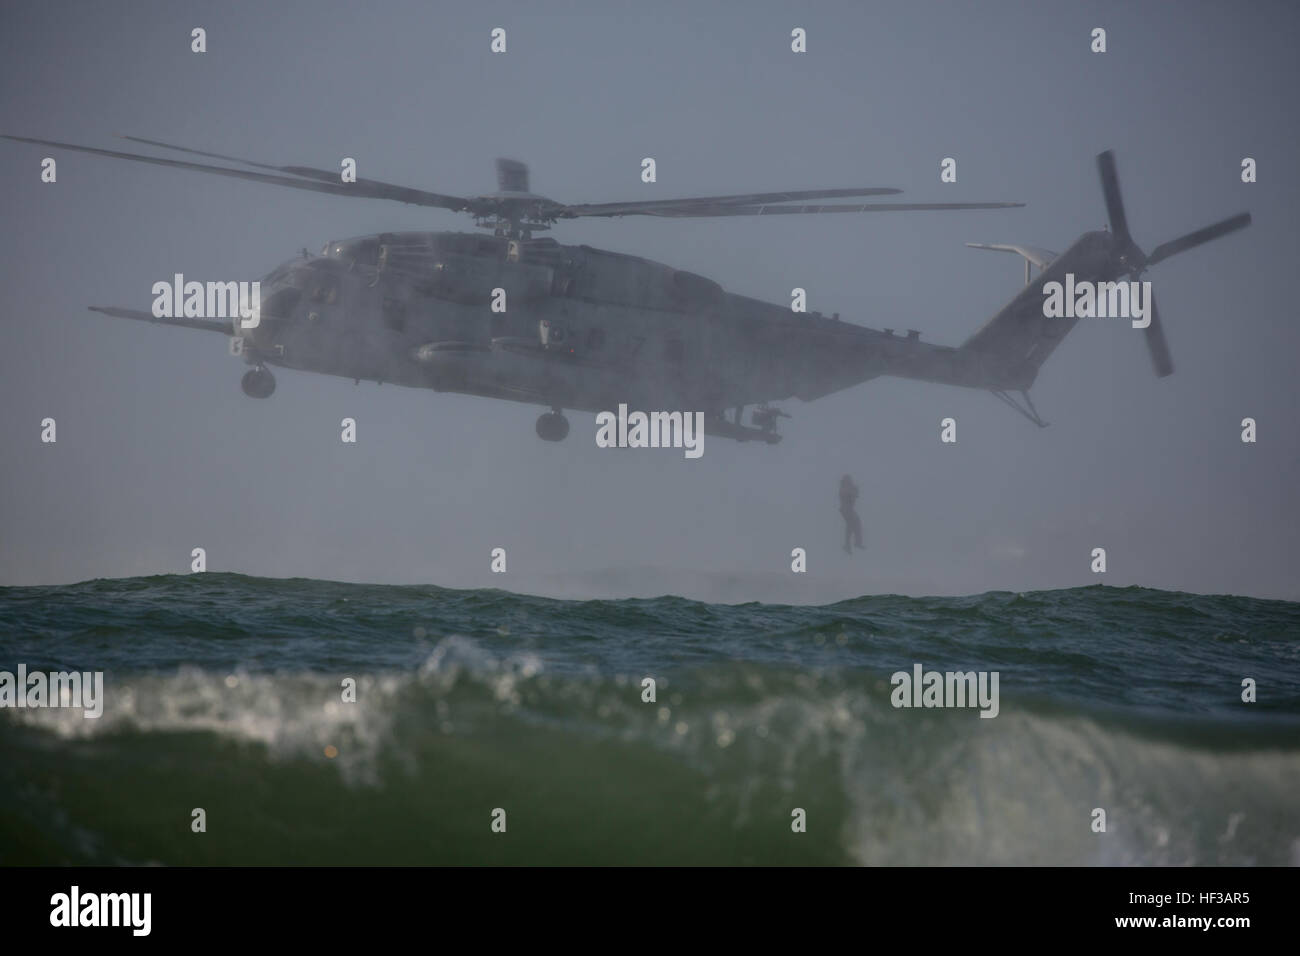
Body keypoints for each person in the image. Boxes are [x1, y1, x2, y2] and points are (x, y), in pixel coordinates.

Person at [839, 474, 864, 554]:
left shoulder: (847, 488)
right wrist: (854, 490)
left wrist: (855, 490)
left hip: (848, 510)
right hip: (846, 510)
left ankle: (849, 545)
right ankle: (855, 543)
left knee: (851, 526)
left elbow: (855, 496)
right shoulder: (844, 488)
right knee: (854, 524)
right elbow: (851, 497)